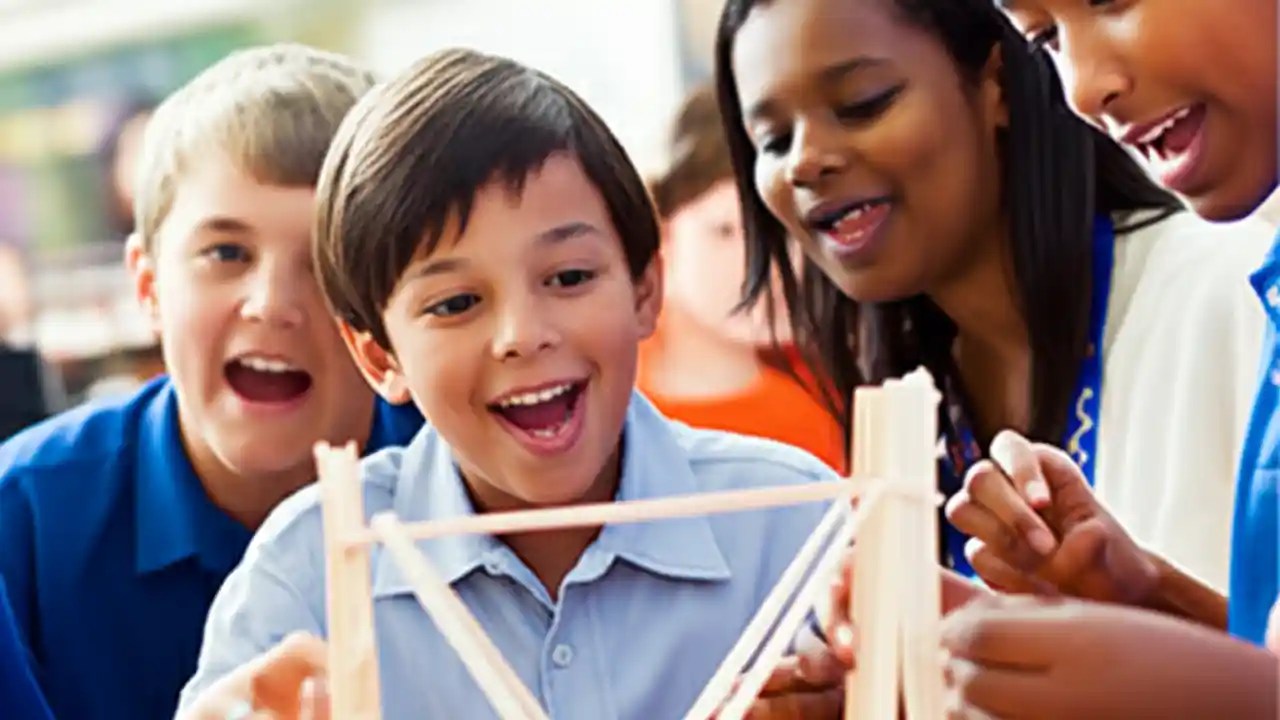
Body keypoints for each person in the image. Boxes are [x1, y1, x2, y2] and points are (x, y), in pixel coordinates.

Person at [176, 48, 838, 719]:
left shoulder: (794, 523)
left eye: (569, 277)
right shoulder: (307, 573)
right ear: (379, 357)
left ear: (645, 289)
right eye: (456, 303)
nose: (522, 333)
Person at [716, 0, 1271, 587]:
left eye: (862, 104)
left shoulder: (1232, 292)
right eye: (773, 141)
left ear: (997, 84)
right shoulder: (913, 398)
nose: (805, 163)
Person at [0, 45, 423, 720]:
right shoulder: (20, 521)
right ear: (147, 285)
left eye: (323, 262)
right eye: (226, 253)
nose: (271, 303)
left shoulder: (474, 484)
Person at [639, 83, 845, 470]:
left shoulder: (834, 399)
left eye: (797, 229)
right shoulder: (599, 384)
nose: (770, 265)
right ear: (661, 234)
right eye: (727, 232)